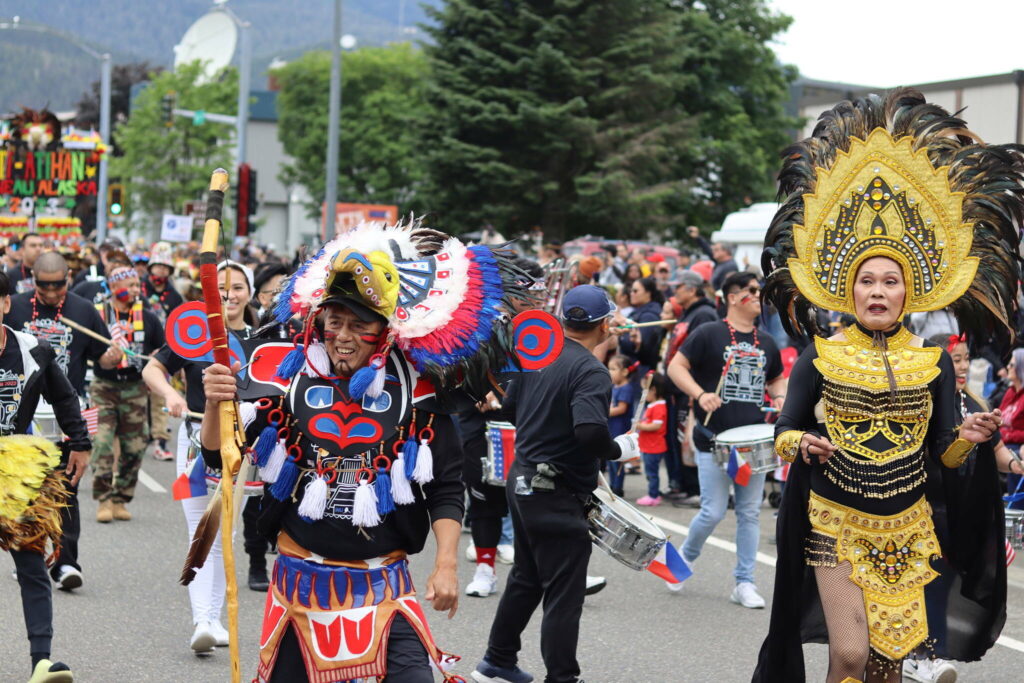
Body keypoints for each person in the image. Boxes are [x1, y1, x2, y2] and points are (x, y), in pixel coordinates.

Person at [753, 89, 1017, 682]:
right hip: (835, 519)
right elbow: (784, 431)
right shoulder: (821, 355)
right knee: (849, 654)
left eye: (890, 281)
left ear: (909, 291)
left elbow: (943, 450)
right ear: (848, 289)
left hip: (907, 527)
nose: (877, 290)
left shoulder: (933, 361)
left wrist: (969, 438)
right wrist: (804, 444)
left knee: (886, 663)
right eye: (866, 280)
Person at [200, 218, 534, 682]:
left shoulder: (418, 392)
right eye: (334, 322)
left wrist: (445, 565)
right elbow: (218, 455)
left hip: (383, 585)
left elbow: (445, 485)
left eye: (359, 325)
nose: (343, 335)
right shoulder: (281, 376)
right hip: (299, 585)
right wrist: (214, 404)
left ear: (385, 331)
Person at [472, 285, 640, 683]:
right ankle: (561, 678)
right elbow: (589, 431)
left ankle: (497, 661)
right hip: (556, 492)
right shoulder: (591, 371)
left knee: (527, 577)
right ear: (603, 324)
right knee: (565, 593)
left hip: (523, 479)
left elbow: (511, 409)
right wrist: (619, 448)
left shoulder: (539, 354)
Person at [142, 261, 267, 655]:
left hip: (244, 444)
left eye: (238, 286)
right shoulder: (194, 331)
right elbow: (154, 369)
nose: (229, 294)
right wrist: (171, 394)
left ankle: (213, 618)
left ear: (250, 292)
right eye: (221, 287)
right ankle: (204, 621)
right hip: (195, 441)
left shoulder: (264, 337)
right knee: (201, 528)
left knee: (226, 533)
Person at [667, 271, 785, 606]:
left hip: (751, 443)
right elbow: (676, 367)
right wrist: (700, 394)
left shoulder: (767, 341)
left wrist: (779, 397)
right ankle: (684, 558)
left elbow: (776, 378)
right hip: (713, 439)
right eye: (751, 290)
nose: (758, 295)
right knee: (713, 511)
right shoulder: (708, 332)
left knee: (749, 512)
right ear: (732, 297)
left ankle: (744, 583)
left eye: (760, 290)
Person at [7, 252, 122, 591]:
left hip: (68, 410)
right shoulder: (14, 307)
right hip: (23, 414)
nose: (51, 292)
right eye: (43, 286)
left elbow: (102, 357)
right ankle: (30, 555)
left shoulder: (83, 310)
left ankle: (66, 562)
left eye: (58, 285)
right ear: (33, 280)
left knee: (67, 488)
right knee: (28, 490)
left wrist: (112, 356)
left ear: (68, 278)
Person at [0, 269, 91, 683]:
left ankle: (41, 661)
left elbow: (64, 397)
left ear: (6, 304)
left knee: (31, 566)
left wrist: (80, 443)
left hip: (16, 470)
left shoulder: (32, 350)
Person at [90, 265, 165, 522]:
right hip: (103, 387)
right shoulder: (97, 315)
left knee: (135, 447)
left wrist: (157, 358)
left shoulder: (148, 317)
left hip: (135, 388)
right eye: (130, 285)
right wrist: (102, 357)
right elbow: (86, 348)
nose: (136, 290)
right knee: (102, 443)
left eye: (137, 285)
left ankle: (120, 498)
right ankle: (103, 499)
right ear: (113, 287)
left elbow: (163, 348)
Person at [617, 276, 666, 374]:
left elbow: (642, 349)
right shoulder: (638, 311)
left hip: (637, 371)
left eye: (635, 291)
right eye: (631, 291)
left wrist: (619, 337)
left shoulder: (650, 316)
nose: (631, 294)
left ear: (648, 293)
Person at [636, 374, 669, 506]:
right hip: (649, 446)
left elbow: (656, 425)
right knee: (650, 472)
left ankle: (653, 496)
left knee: (652, 473)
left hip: (654, 446)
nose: (643, 393)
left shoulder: (658, 406)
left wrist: (640, 426)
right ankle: (653, 494)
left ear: (653, 390)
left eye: (645, 390)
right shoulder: (653, 405)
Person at [606, 355, 636, 497]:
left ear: (624, 372)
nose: (609, 372)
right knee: (610, 459)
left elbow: (621, 409)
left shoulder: (626, 388)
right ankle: (612, 485)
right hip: (611, 428)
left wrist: (603, 412)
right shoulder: (614, 387)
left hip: (620, 428)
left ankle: (617, 488)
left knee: (617, 459)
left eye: (613, 369)